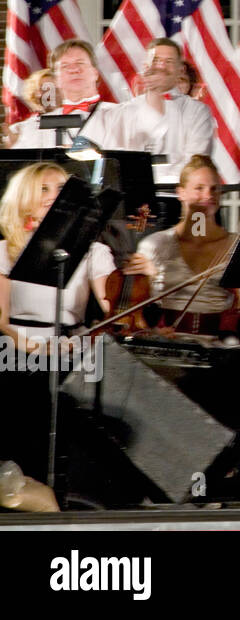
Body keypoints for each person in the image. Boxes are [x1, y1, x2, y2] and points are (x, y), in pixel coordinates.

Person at [0, 163, 114, 478]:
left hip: (71, 348)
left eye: (62, 190)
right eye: (44, 189)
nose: (54, 197)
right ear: (23, 197)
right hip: (16, 350)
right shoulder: (3, 251)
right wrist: (35, 349)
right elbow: (1, 320)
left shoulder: (94, 252)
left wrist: (137, 281)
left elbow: (110, 305)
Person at [119, 154, 240, 339]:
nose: (208, 195)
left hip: (220, 346)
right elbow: (133, 314)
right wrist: (153, 332)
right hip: (168, 343)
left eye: (214, 189)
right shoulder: (155, 244)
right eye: (199, 188)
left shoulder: (235, 246)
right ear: (181, 193)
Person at [97, 38, 214, 184]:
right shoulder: (125, 112)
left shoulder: (198, 111)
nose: (161, 67)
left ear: (180, 70)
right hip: (134, 195)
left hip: (178, 195)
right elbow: (113, 158)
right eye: (156, 60)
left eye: (169, 62)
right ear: (146, 68)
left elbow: (197, 161)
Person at [6, 40, 118, 149]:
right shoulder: (34, 128)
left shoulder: (120, 116)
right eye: (65, 66)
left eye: (80, 63)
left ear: (95, 73)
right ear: (56, 79)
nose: (74, 69)